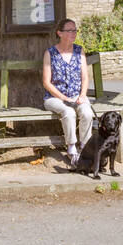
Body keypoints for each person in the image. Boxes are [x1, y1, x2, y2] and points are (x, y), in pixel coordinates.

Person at [41, 17, 93, 168]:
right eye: (70, 30)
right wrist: (64, 98)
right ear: (60, 33)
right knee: (68, 112)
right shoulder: (50, 53)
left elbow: (85, 76)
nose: (74, 33)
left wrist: (82, 95)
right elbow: (46, 82)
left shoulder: (79, 51)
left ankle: (85, 146)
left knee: (87, 112)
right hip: (54, 97)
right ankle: (72, 148)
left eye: (75, 30)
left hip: (77, 95)